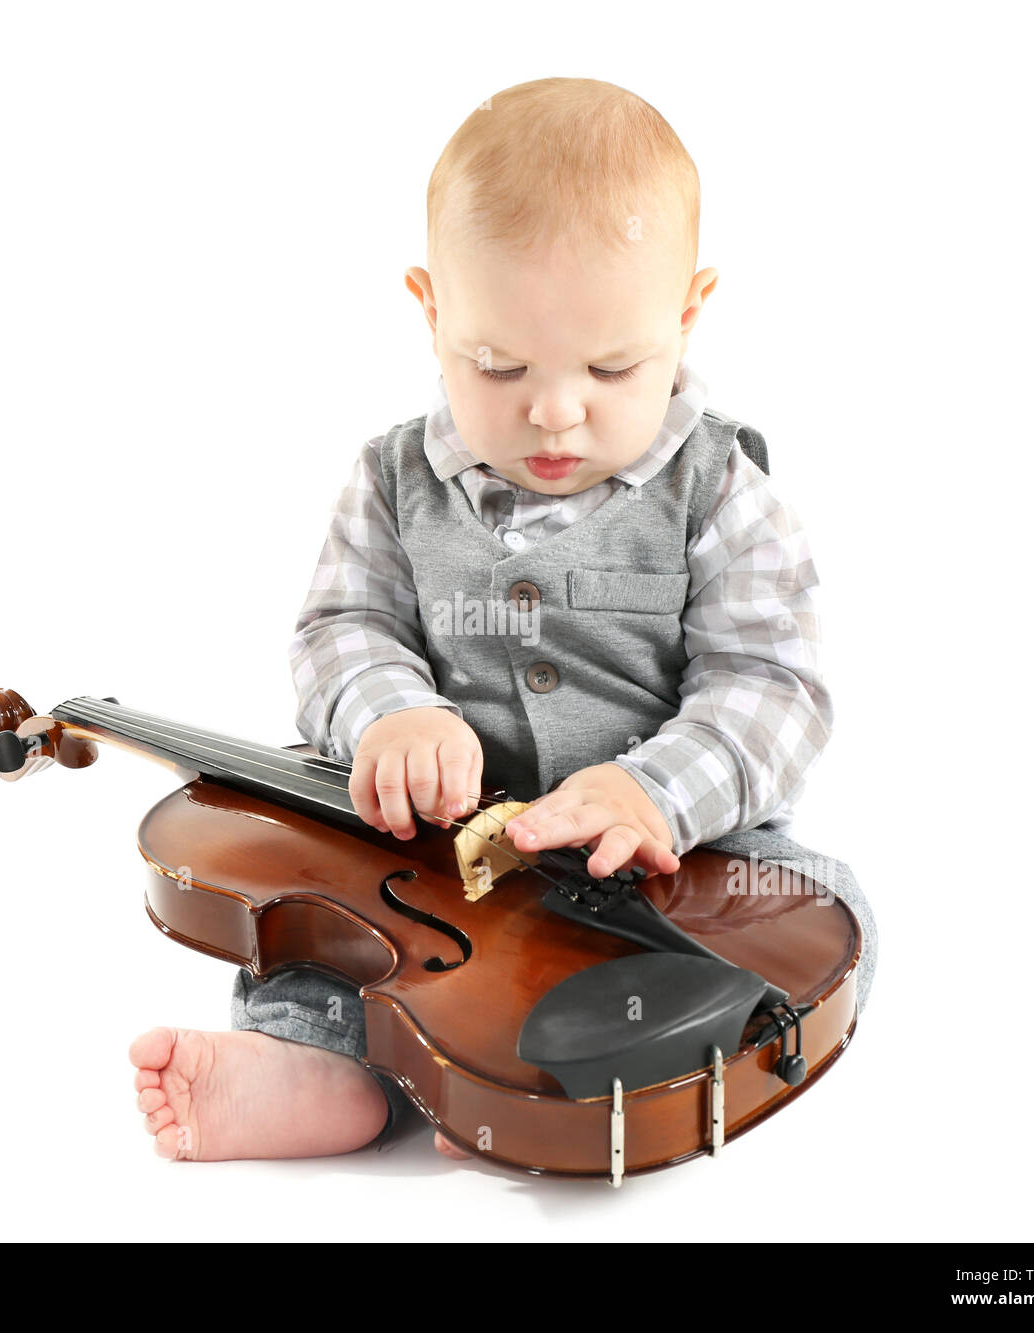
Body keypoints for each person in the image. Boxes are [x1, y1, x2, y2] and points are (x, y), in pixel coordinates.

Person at [130, 75, 878, 1164]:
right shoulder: (391, 480)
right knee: (312, 938)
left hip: (677, 858)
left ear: (687, 312)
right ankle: (329, 1072)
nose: (554, 410)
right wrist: (391, 713)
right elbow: (342, 628)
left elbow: (772, 688)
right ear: (431, 312)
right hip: (438, 868)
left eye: (613, 366)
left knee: (826, 909)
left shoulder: (721, 492)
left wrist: (653, 791)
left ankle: (565, 1081)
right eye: (498, 364)